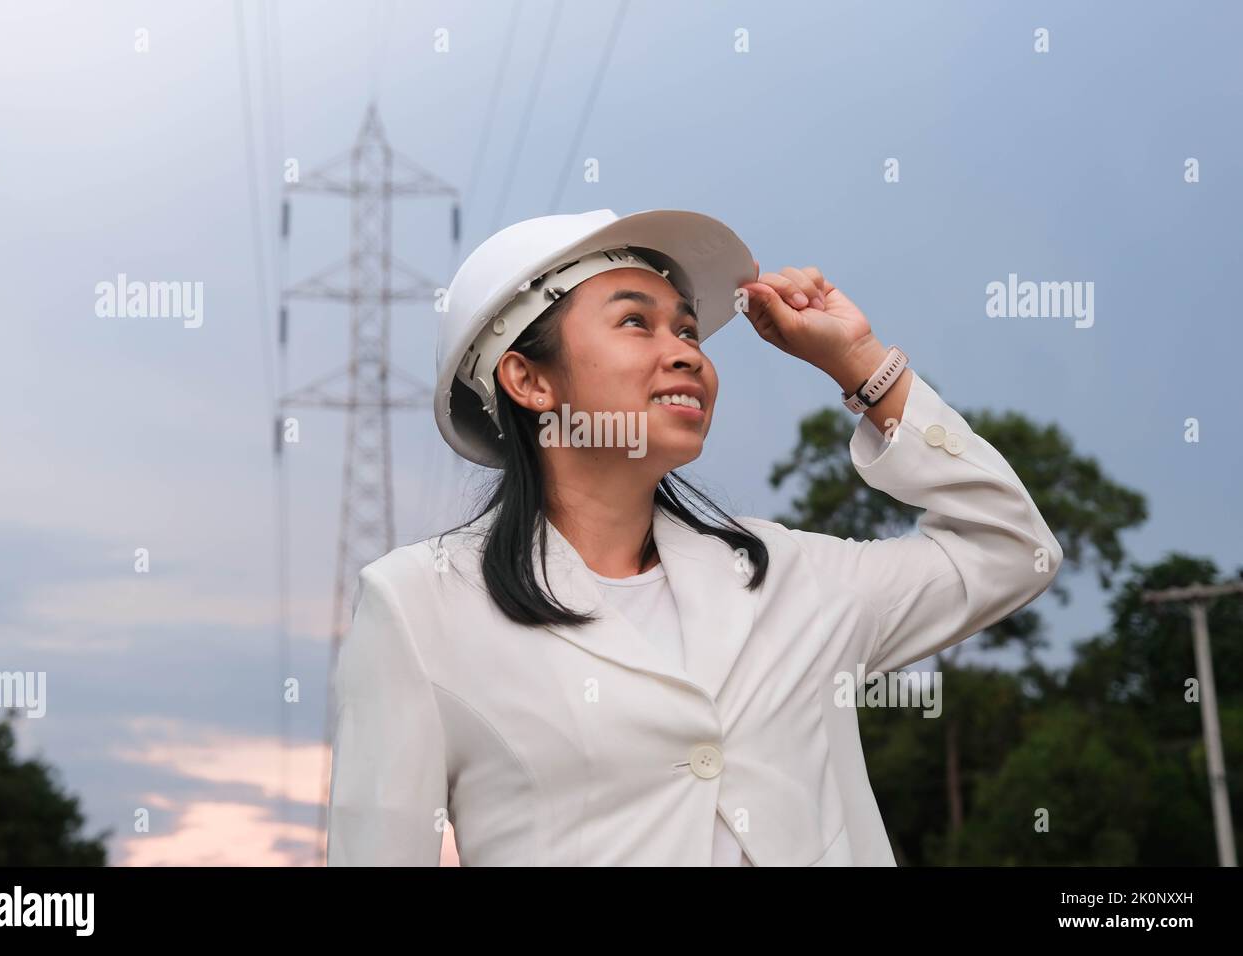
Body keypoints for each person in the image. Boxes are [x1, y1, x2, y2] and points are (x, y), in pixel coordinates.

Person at [325, 208, 1064, 866]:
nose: (687, 353)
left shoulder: (791, 577)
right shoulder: (421, 607)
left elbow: (1008, 549)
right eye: (635, 323)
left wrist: (861, 362)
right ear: (528, 379)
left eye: (686, 329)